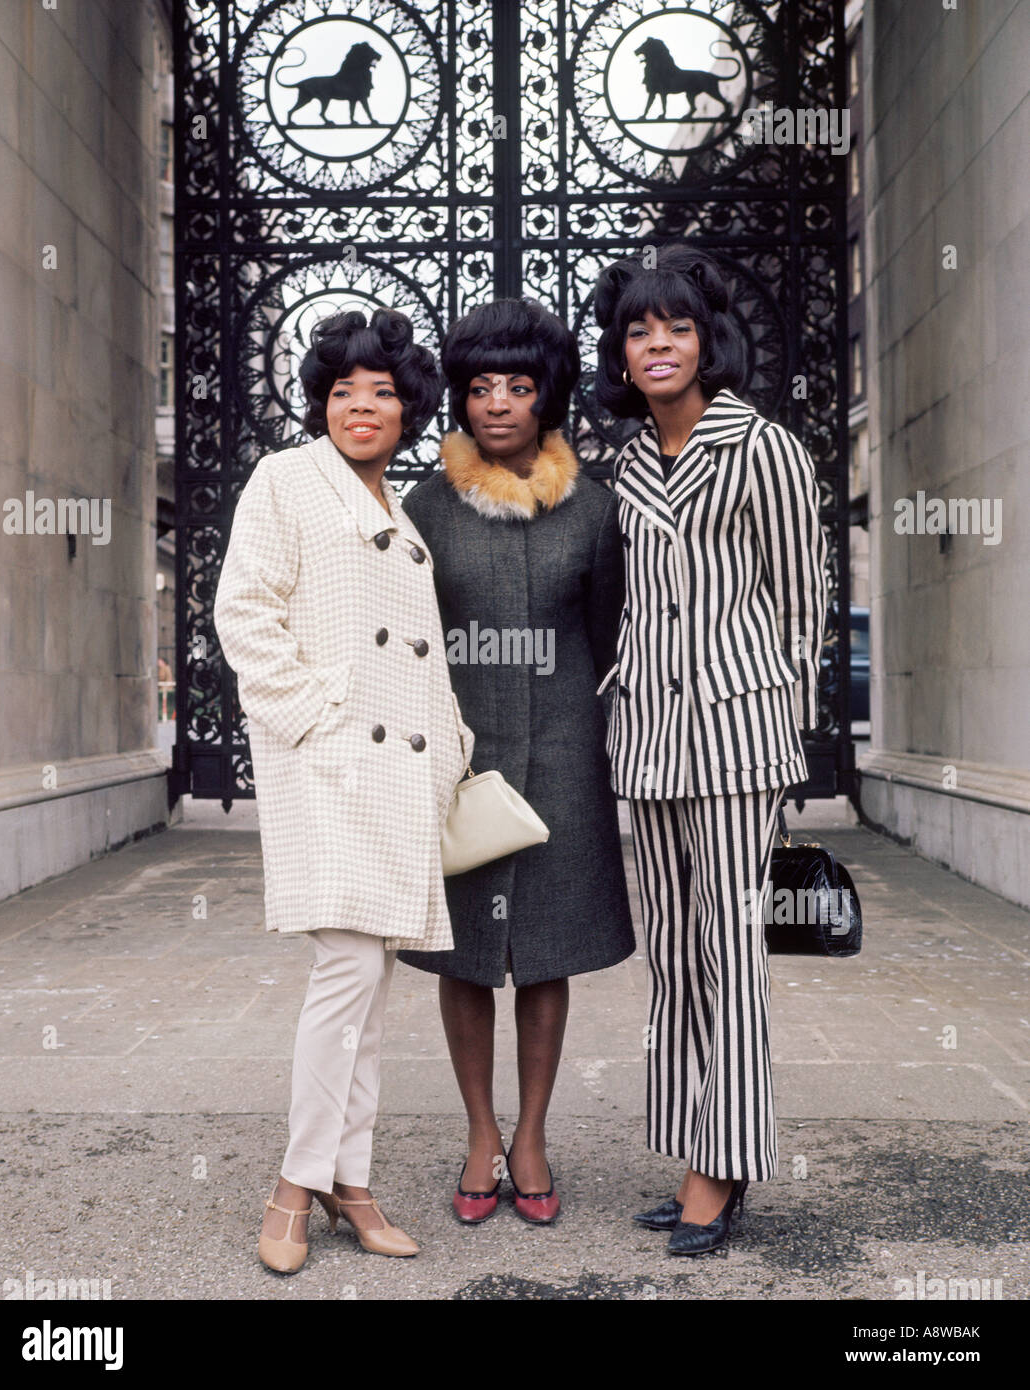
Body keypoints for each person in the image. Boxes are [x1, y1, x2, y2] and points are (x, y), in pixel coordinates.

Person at [214, 308, 473, 1269]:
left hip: (399, 779)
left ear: (409, 412)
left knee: (372, 984)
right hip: (325, 766)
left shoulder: (407, 527)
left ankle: (346, 1180)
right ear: (320, 401)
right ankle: (297, 1183)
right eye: (343, 391)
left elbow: (429, 666)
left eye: (383, 394)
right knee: (347, 974)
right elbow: (244, 611)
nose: (362, 407)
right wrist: (314, 717)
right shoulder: (285, 480)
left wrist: (448, 750)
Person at [593, 246, 828, 1255]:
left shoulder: (763, 448)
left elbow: (801, 601)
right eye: (639, 329)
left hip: (735, 738)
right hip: (645, 738)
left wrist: (785, 736)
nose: (656, 344)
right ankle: (696, 1144)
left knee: (729, 952)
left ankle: (716, 1173)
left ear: (705, 339)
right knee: (672, 958)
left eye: (675, 326)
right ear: (622, 348)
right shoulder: (624, 462)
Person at [397, 298, 634, 1225]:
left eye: (519, 386)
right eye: (482, 386)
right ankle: (477, 1135)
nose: (498, 403)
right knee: (463, 954)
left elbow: (607, 628)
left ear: (547, 397)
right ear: (461, 397)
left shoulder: (595, 507)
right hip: (459, 753)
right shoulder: (422, 504)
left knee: (546, 952)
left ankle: (530, 1134)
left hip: (566, 753)